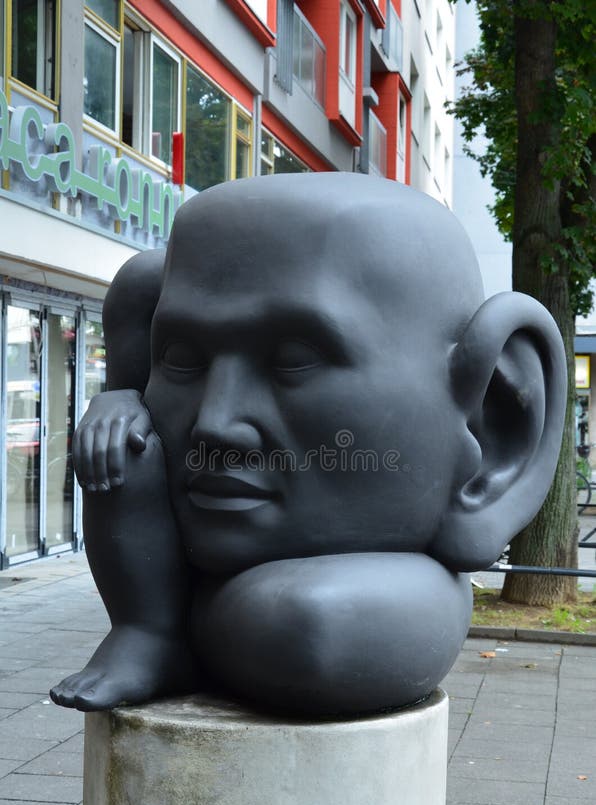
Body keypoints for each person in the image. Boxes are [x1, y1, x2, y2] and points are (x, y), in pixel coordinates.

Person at [50, 173, 566, 716]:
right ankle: (151, 636)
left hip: (354, 604)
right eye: (182, 358)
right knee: (122, 450)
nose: (215, 423)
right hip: (165, 605)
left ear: (497, 424)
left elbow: (309, 638)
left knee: (309, 629)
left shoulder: (375, 605)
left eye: (295, 359)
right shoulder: (155, 413)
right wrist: (120, 402)